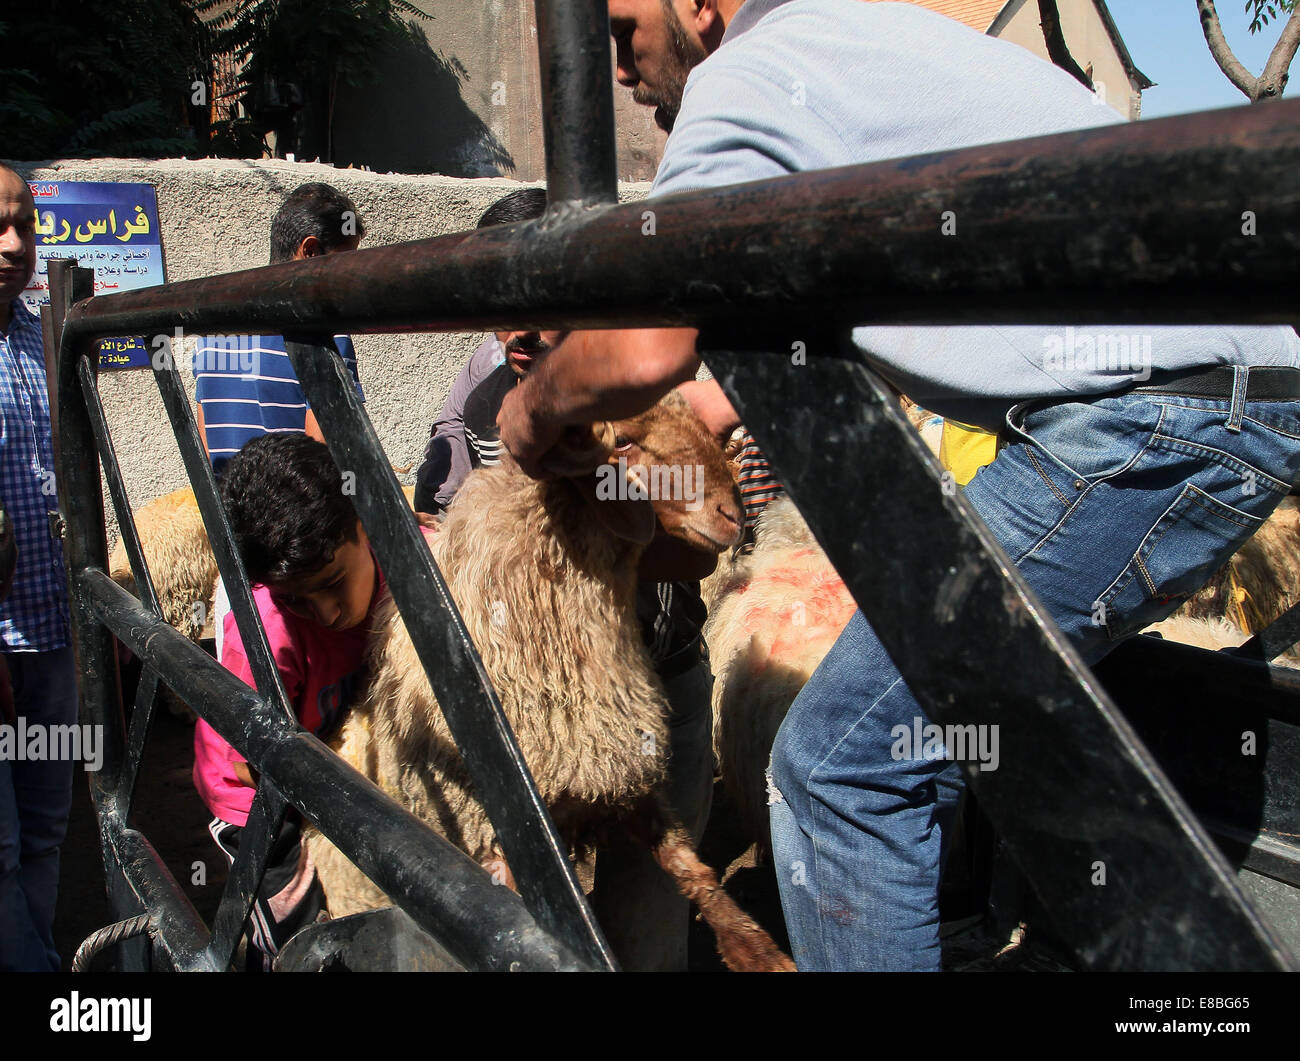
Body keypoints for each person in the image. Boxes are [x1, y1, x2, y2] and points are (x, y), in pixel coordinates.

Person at [497, 0, 1300, 970]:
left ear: (699, 7)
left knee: (838, 767)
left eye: (622, 33)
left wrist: (534, 410)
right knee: (955, 723)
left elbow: (648, 337)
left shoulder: (742, 76)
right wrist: (703, 413)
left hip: (1155, 418)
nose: (617, 69)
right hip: (1213, 392)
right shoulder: (854, 46)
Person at [416, 187, 717, 971]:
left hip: (658, 685)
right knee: (521, 936)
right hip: (531, 718)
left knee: (648, 934)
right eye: (496, 305)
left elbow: (703, 545)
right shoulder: (482, 407)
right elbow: (453, 544)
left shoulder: (653, 395)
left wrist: (610, 508)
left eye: (538, 303)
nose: (517, 330)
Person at [194, 432, 397, 970]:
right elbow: (245, 764)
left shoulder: (405, 559)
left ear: (362, 526)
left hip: (328, 749)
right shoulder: (265, 635)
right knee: (299, 928)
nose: (326, 613)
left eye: (334, 583)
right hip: (254, 794)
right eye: (296, 600)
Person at [192, 182, 367, 658]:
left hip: (241, 548)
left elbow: (207, 437)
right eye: (344, 265)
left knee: (248, 688)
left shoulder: (216, 326)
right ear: (310, 251)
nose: (348, 286)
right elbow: (331, 451)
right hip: (304, 564)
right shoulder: (319, 334)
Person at [0, 164, 80, 972]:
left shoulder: (48, 331)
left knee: (49, 824)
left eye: (25, 224)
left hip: (53, 636)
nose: (14, 243)